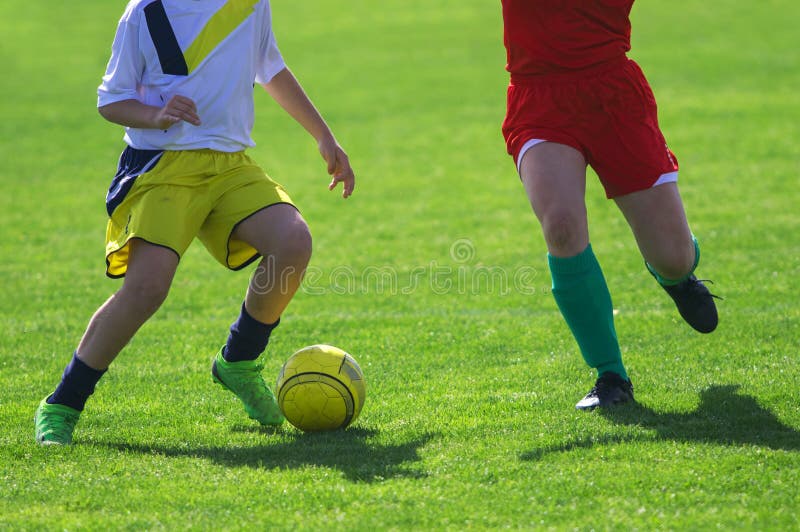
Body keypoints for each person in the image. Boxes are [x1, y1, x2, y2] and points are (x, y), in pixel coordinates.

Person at [34, 0, 355, 445]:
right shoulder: (146, 13)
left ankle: (239, 362)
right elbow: (111, 100)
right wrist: (155, 115)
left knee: (292, 242)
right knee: (146, 289)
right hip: (163, 167)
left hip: (229, 165)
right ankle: (62, 403)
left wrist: (324, 135)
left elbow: (271, 67)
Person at [500, 1, 719, 410]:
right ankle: (610, 375)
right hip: (539, 97)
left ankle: (677, 276)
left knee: (673, 258)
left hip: (613, 94)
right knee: (561, 227)